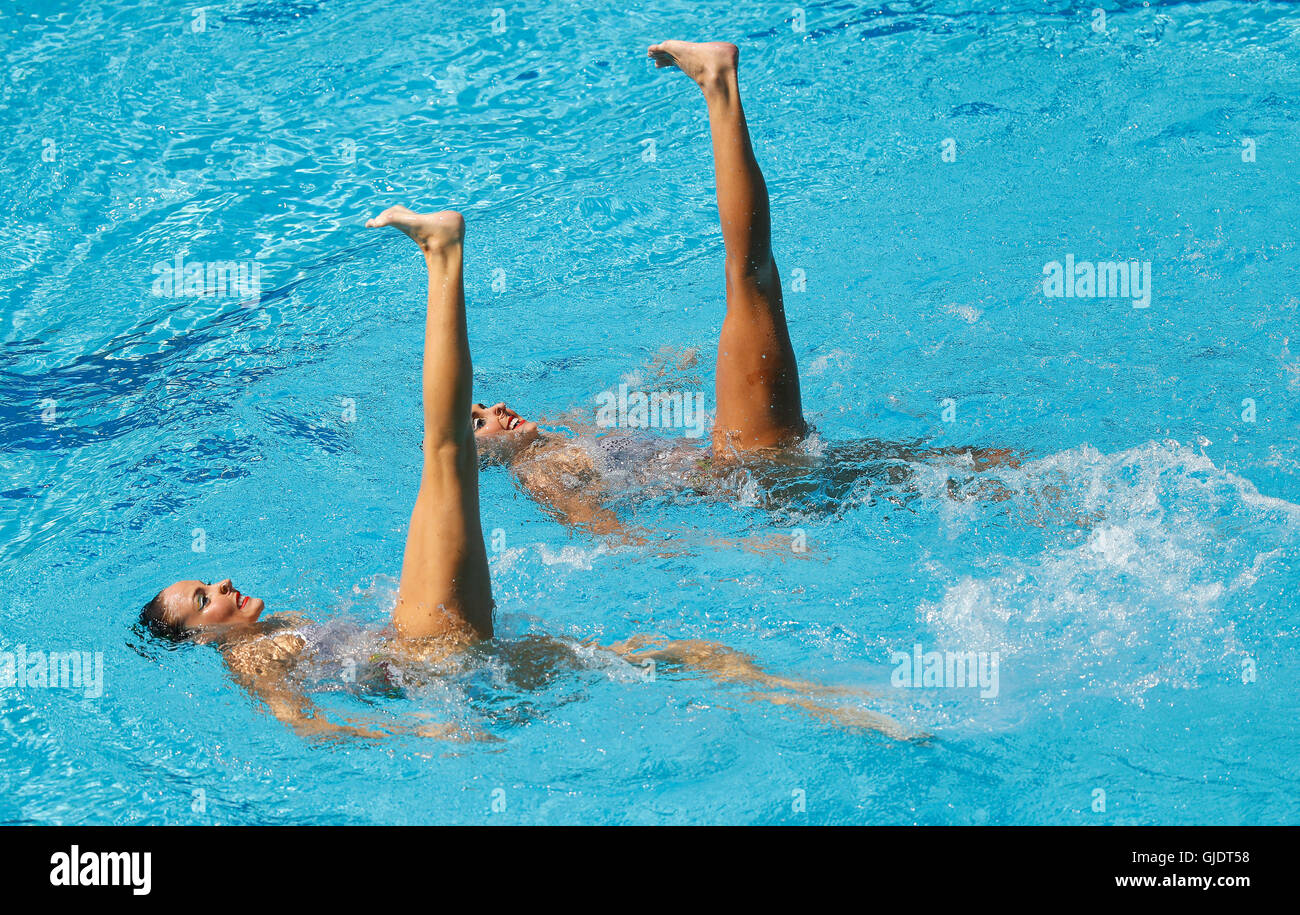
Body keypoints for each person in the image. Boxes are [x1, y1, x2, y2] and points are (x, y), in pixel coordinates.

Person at [139, 207, 915, 741]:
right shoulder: (245, 657)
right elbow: (303, 725)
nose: (224, 586)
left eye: (208, 580)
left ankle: (827, 699)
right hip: (436, 652)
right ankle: (443, 256)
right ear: (195, 639)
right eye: (204, 599)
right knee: (442, 454)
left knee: (656, 653)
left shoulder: (270, 629)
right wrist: (428, 733)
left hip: (466, 654)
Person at [469, 41, 1017, 542]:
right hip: (745, 468)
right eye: (478, 421)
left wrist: (668, 374)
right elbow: (615, 538)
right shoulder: (537, 474)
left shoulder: (569, 434)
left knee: (965, 470)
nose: (497, 409)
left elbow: (637, 431)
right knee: (750, 277)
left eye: (486, 403)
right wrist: (740, 549)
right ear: (472, 455)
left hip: (767, 468)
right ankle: (718, 83)